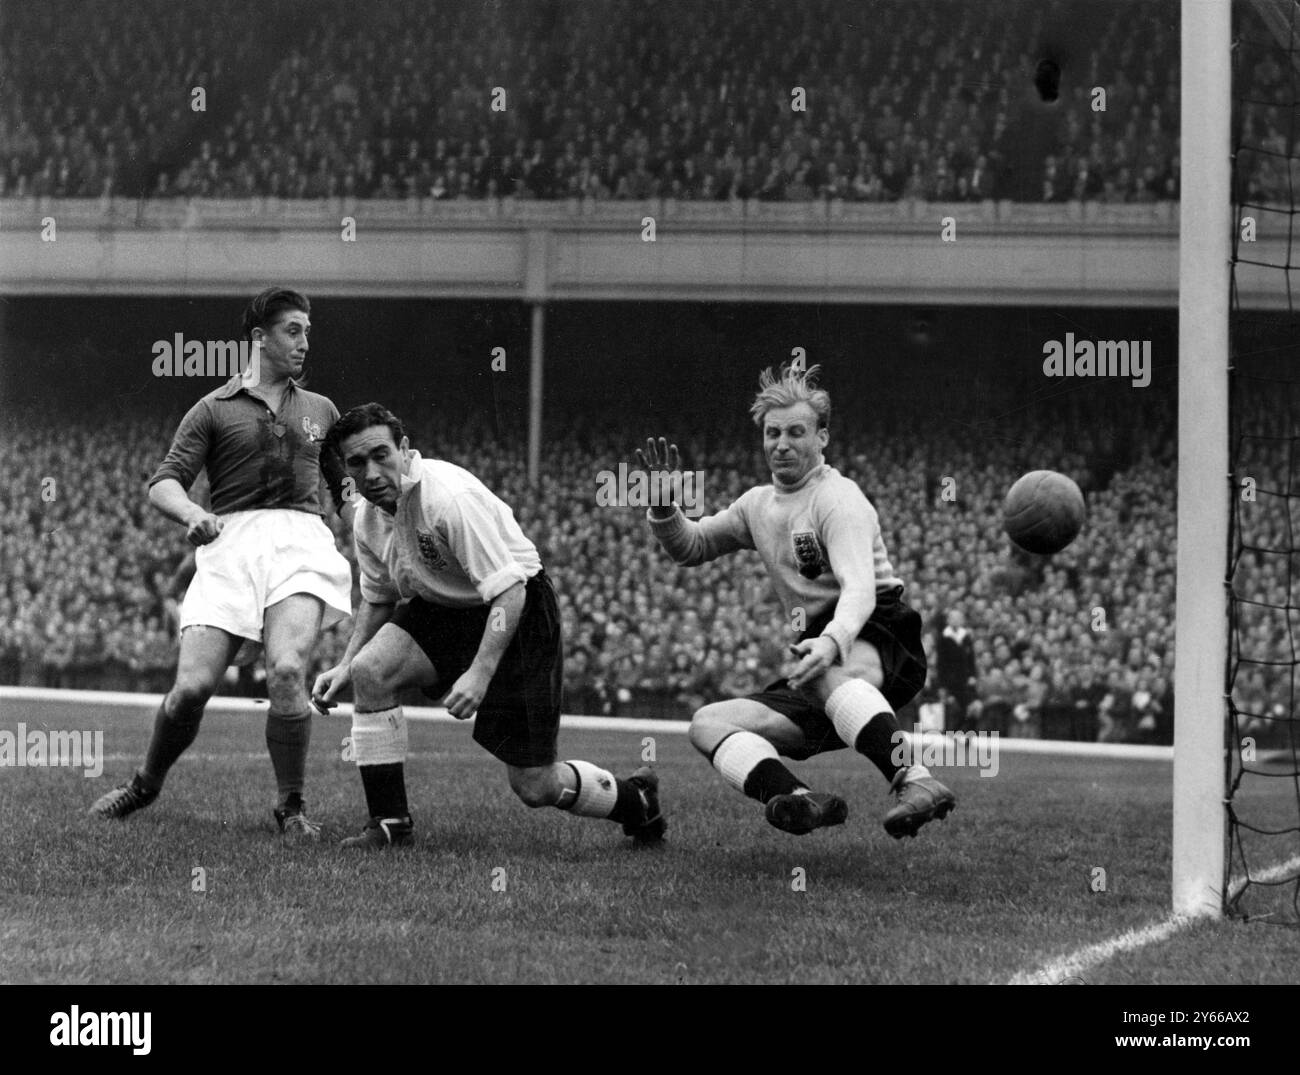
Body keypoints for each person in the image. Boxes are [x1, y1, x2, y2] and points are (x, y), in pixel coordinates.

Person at [310, 404, 665, 850]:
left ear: (404, 449)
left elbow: (509, 591)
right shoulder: (367, 518)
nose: (372, 471)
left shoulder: (446, 497)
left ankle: (637, 799)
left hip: (517, 608)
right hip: (444, 605)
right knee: (369, 671)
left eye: (381, 454)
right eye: (358, 463)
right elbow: (379, 597)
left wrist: (479, 674)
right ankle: (389, 824)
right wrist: (346, 664)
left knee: (534, 786)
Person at [637, 364, 955, 837]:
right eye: (772, 433)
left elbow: (860, 589)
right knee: (707, 723)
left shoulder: (837, 499)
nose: (781, 443)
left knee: (824, 669)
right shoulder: (756, 505)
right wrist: (664, 506)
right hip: (816, 654)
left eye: (796, 432)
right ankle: (801, 800)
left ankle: (916, 779)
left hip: (878, 632)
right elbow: (692, 546)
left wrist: (832, 643)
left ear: (822, 438)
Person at [90, 287, 353, 838]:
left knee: (285, 671)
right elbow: (163, 481)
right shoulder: (212, 409)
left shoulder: (323, 411)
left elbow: (344, 488)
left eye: (308, 330)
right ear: (259, 338)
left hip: (301, 544)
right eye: (293, 330)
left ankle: (291, 806)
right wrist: (191, 514)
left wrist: (362, 512)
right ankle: (145, 785)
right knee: (191, 690)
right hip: (230, 544)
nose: (305, 342)